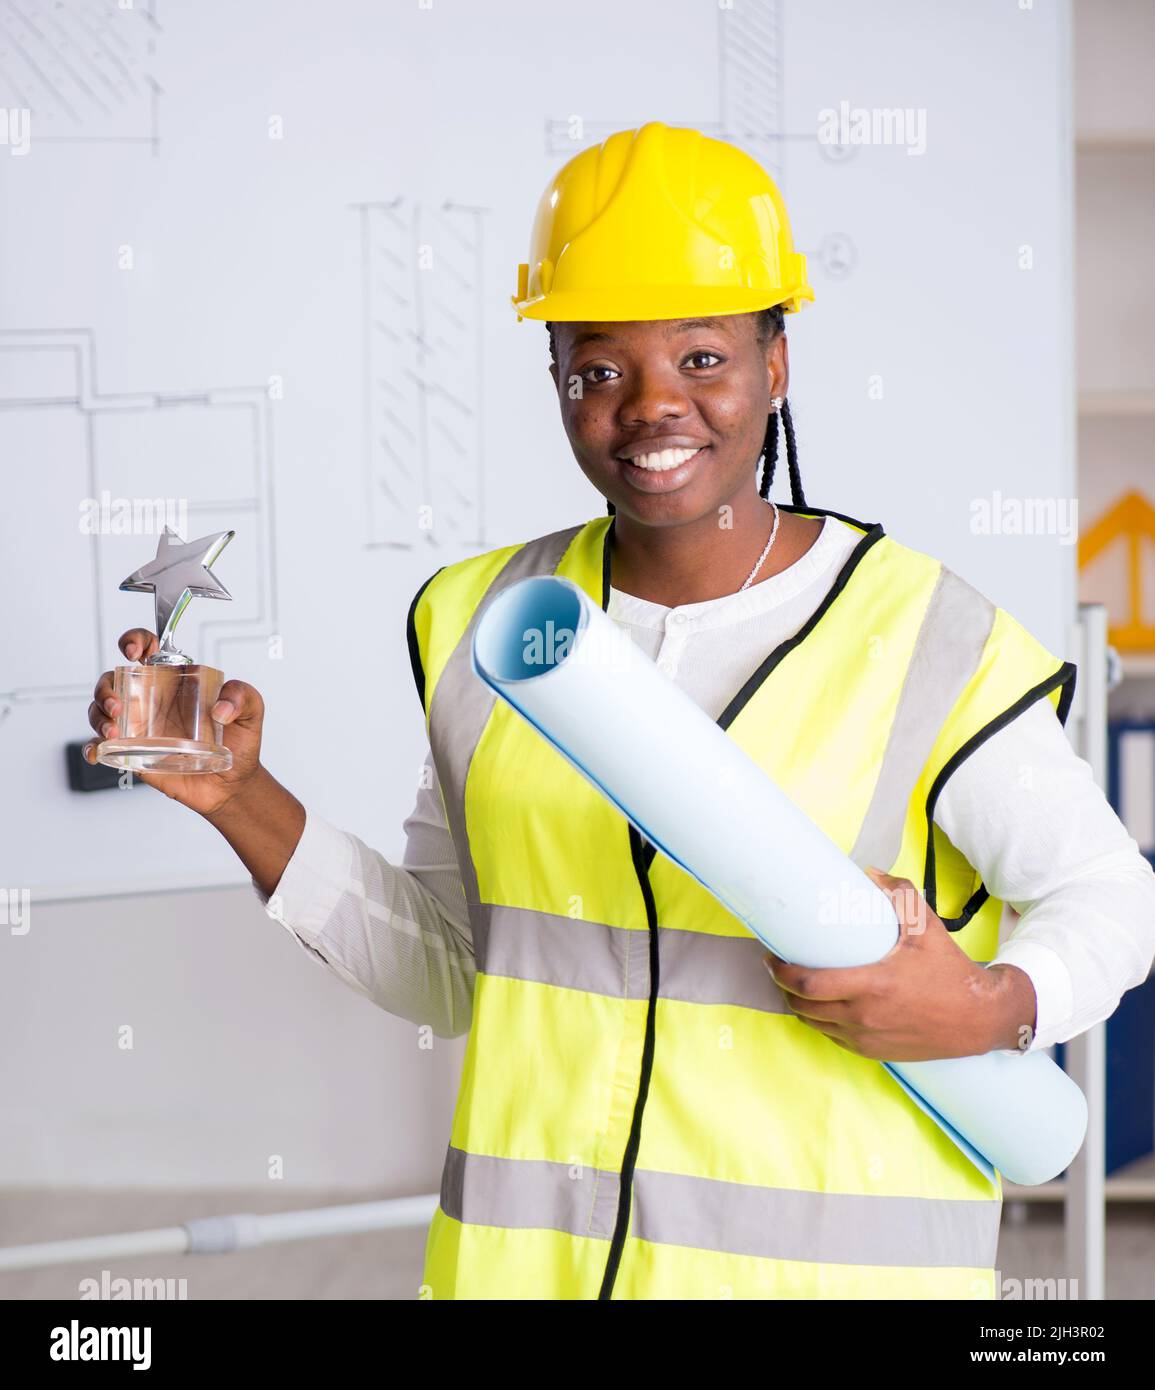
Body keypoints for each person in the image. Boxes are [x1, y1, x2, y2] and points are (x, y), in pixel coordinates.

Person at [85, 121, 1155, 1301]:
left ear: (774, 362)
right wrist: (245, 798)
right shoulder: (484, 620)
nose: (653, 409)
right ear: (556, 378)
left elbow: (1109, 899)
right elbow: (456, 967)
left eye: (703, 358)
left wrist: (992, 1003)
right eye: (601, 369)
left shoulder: (925, 634)